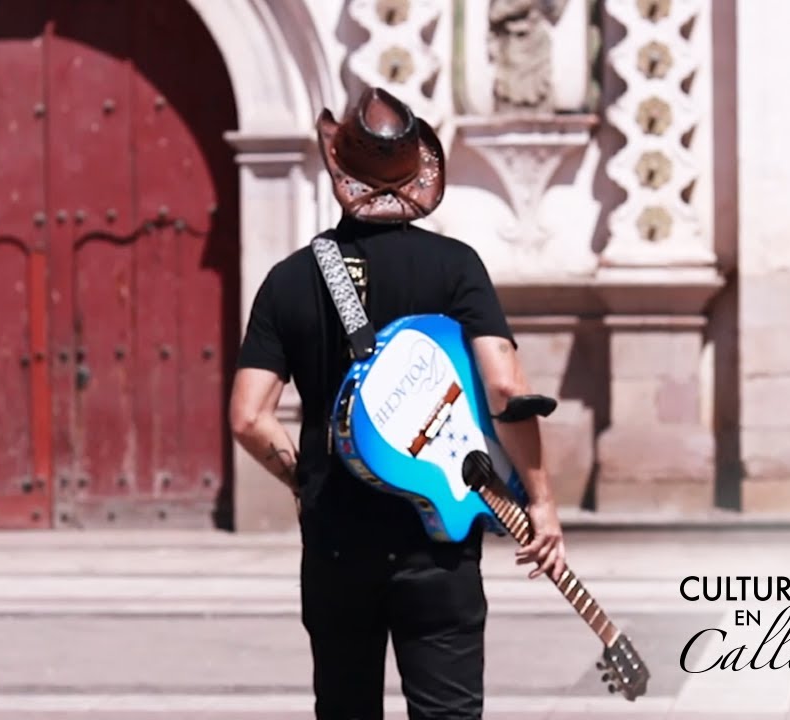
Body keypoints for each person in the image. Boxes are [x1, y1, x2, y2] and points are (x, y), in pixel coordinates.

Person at [228, 86, 566, 720]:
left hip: (336, 545)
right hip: (436, 544)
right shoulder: (456, 267)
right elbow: (506, 389)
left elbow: (248, 417)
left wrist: (304, 478)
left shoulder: (288, 280)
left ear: (341, 172)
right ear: (417, 175)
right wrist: (540, 502)